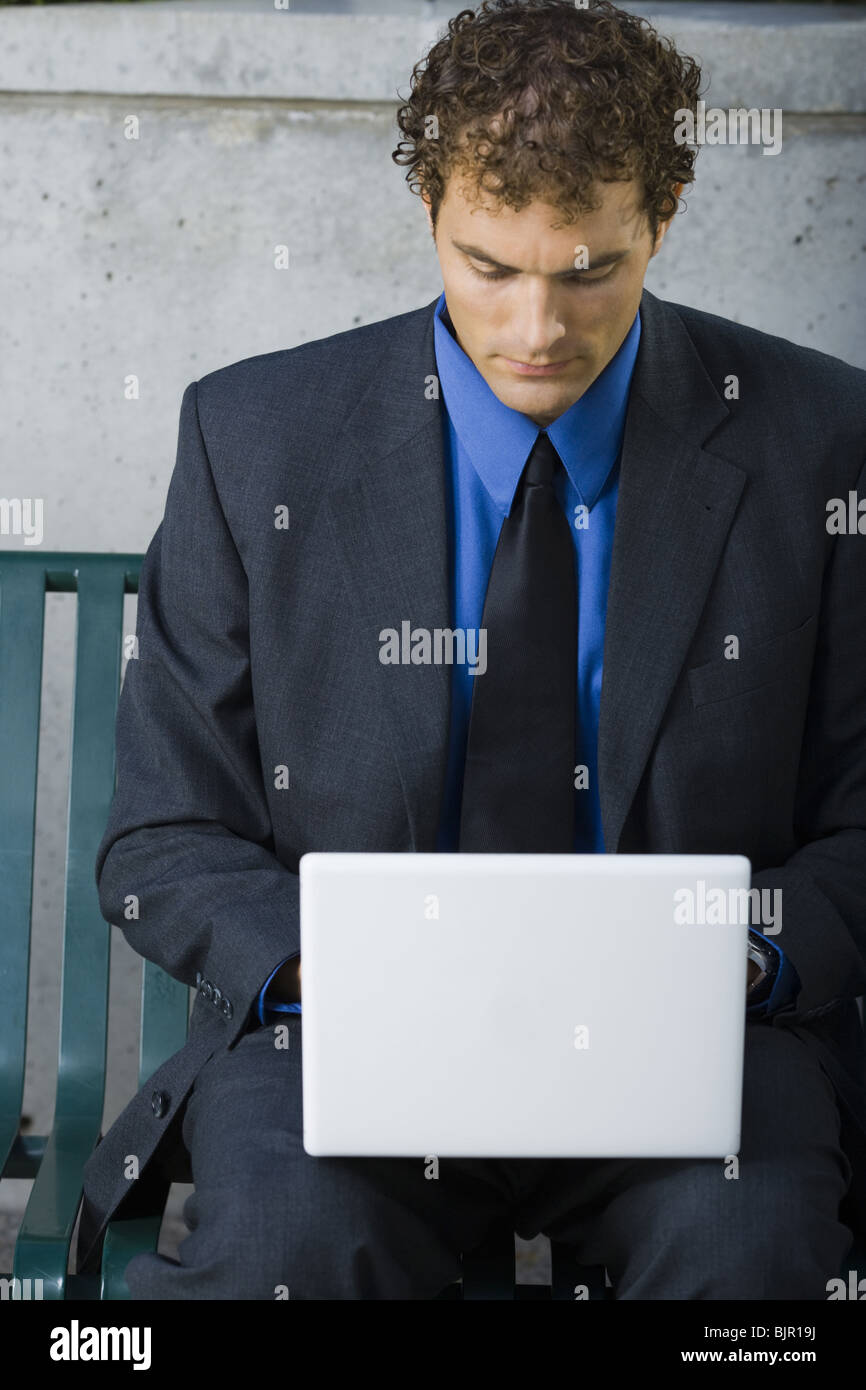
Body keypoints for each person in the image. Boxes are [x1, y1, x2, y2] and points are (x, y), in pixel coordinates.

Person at [77, 0, 866, 1299]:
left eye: (588, 268)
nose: (536, 327)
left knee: (745, 1254)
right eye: (488, 266)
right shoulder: (254, 438)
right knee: (290, 1247)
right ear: (430, 210)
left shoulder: (819, 442)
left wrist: (741, 952)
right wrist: (335, 967)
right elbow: (162, 836)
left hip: (694, 1042)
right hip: (345, 1040)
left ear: (663, 210)